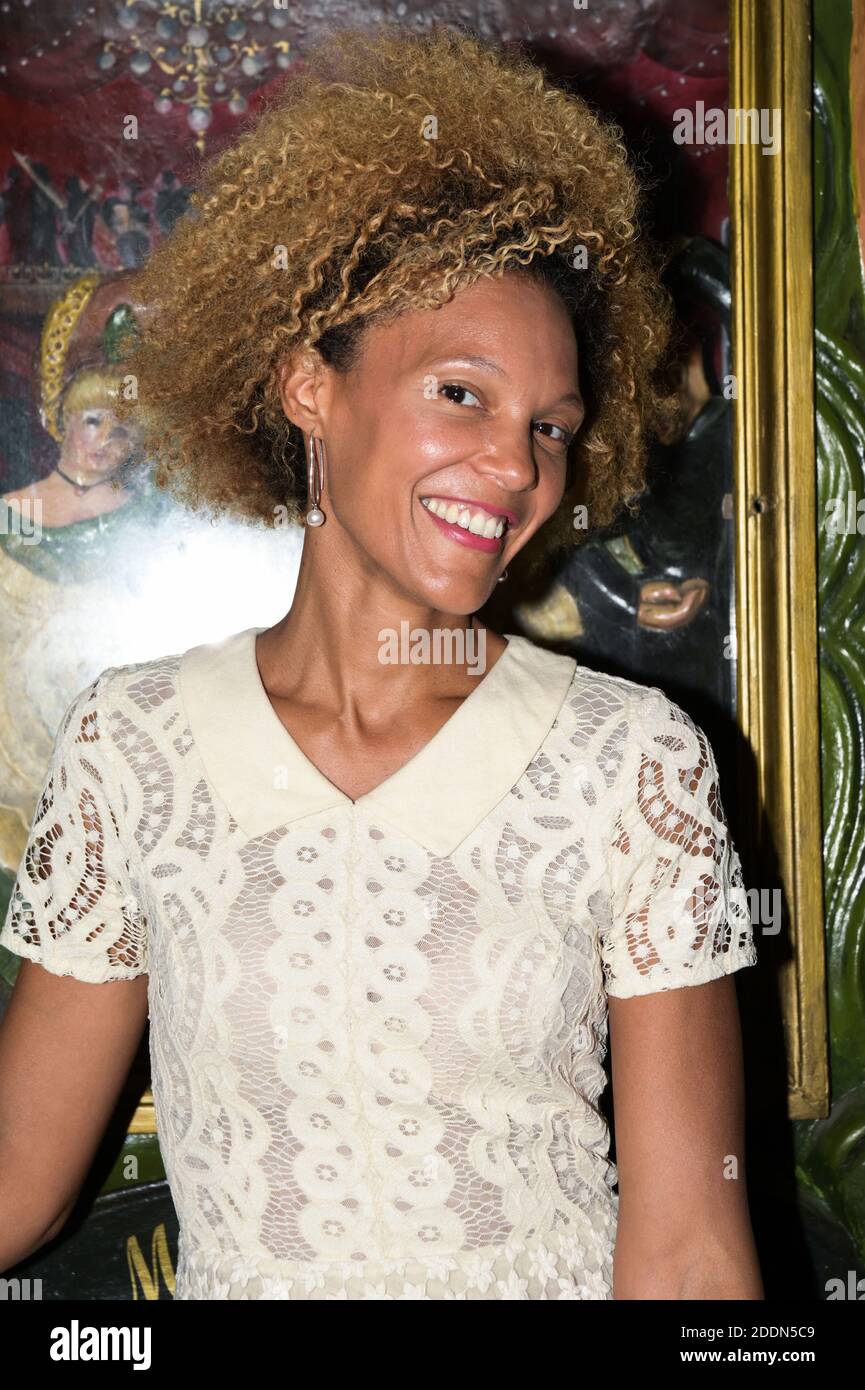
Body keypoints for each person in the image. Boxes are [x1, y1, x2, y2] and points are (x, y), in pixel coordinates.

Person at [0, 24, 762, 1300]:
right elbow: (18, 1174)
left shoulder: (631, 767)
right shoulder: (132, 751)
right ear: (309, 384)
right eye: (459, 394)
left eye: (550, 427)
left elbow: (688, 1254)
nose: (517, 467)